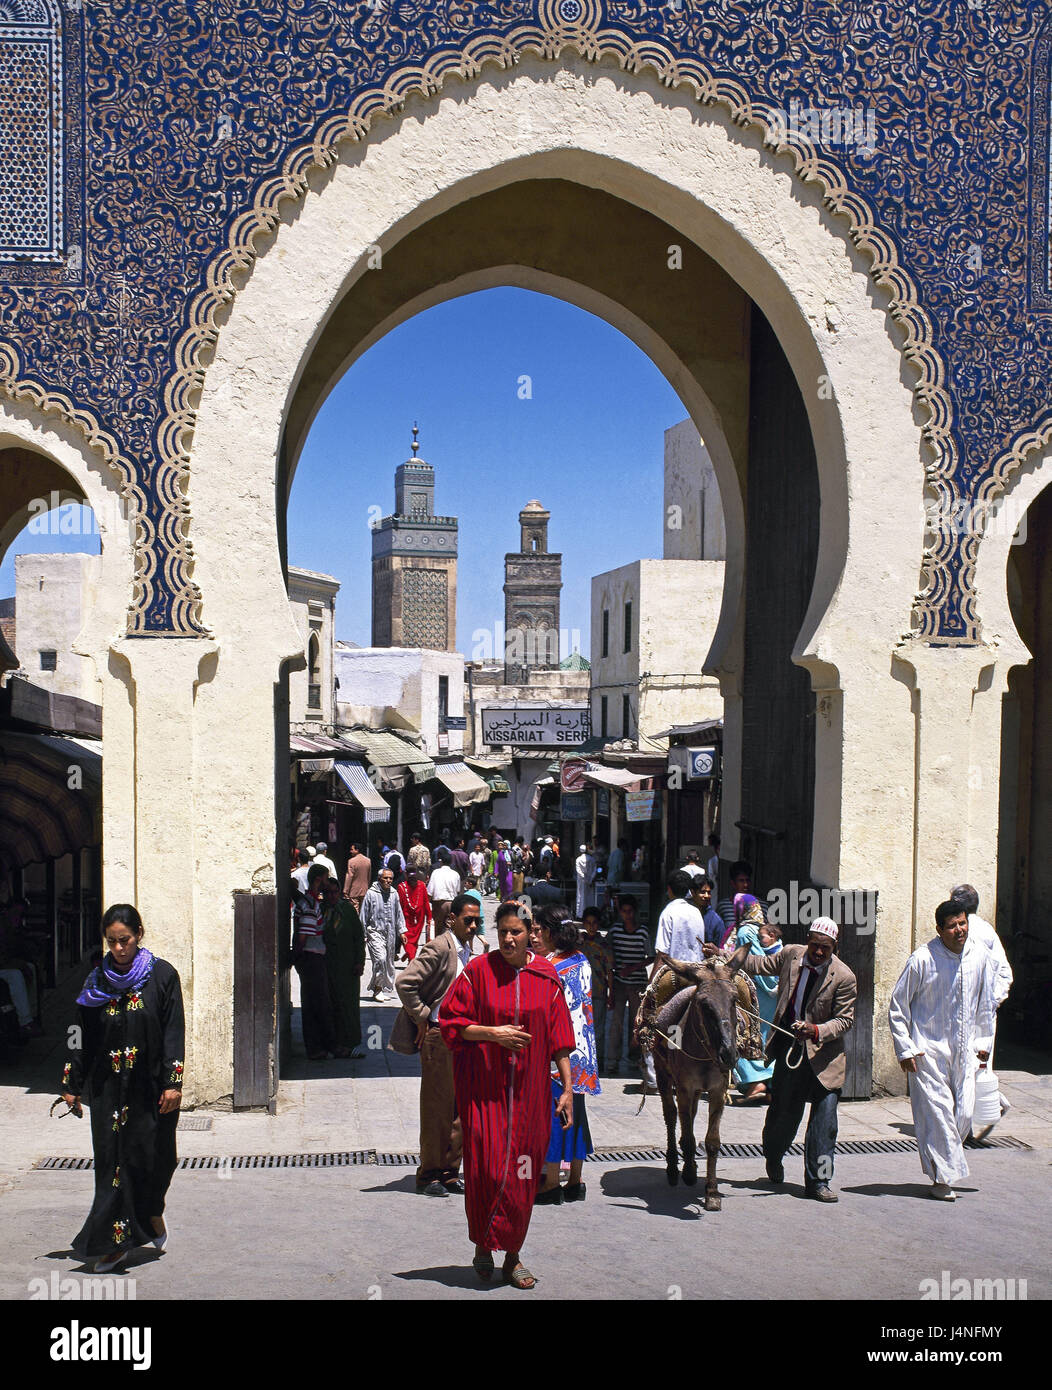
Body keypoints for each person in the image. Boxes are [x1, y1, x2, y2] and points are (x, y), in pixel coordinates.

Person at [439, 902, 574, 1289]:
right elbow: (452, 1021)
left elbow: (561, 1037)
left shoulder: (546, 976)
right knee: (484, 1169)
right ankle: (483, 1245)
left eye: (516, 931)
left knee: (524, 1173)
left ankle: (513, 1255)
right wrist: (492, 1033)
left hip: (531, 1095)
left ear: (530, 932)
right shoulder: (479, 972)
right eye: (502, 932)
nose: (509, 939)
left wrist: (565, 1088)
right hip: (485, 1092)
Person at [58, 904, 184, 1272]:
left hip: (150, 1091)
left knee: (158, 1161)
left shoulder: (162, 977)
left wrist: (172, 1083)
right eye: (111, 942)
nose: (117, 949)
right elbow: (78, 1031)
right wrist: (71, 1081)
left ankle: (150, 1212)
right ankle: (115, 1243)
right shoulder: (96, 979)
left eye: (124, 940)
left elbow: (174, 1032)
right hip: (108, 1089)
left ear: (139, 934)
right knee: (114, 1166)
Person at [716, 916, 856, 1202]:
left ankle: (819, 1181)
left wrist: (816, 1030)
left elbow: (844, 1021)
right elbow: (759, 964)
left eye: (825, 948)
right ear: (808, 940)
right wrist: (723, 956)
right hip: (790, 1051)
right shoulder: (792, 955)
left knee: (825, 1124)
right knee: (783, 1116)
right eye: (815, 945)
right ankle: (773, 1155)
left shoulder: (844, 977)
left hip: (825, 1061)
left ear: (834, 947)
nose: (818, 952)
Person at [888, 900, 996, 1200]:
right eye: (952, 925)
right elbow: (898, 1006)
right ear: (940, 929)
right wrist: (906, 1049)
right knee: (938, 1115)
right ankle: (942, 1179)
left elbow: (985, 1004)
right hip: (928, 1052)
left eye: (962, 923)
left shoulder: (979, 957)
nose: (959, 930)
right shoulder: (922, 959)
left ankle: (942, 1166)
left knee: (963, 1114)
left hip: (965, 1051)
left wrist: (983, 1042)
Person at [391, 893, 483, 1196]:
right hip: (438, 1036)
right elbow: (405, 982)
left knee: (460, 1108)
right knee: (436, 1109)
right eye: (467, 920)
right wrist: (422, 1015)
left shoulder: (470, 949)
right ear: (451, 919)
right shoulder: (440, 947)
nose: (472, 926)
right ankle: (428, 1174)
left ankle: (449, 1172)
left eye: (476, 921)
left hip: (463, 1037)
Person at [530, 906, 600, 1204]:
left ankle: (549, 1183)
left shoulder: (548, 966)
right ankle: (575, 1181)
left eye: (536, 930)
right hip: (583, 1050)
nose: (532, 936)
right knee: (578, 1115)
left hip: (558, 1052)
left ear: (548, 931)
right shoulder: (581, 960)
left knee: (555, 1115)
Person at [949, 882, 1013, 1134]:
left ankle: (963, 1129)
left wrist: (985, 1004)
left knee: (970, 1067)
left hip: (975, 1017)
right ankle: (990, 1108)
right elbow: (1005, 974)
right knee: (969, 1068)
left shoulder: (970, 932)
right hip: (969, 1014)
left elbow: (1002, 974)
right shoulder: (979, 931)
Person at [733, 920, 782, 1101]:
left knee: (747, 1035)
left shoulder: (745, 932)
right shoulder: (758, 932)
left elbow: (761, 968)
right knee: (763, 1037)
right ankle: (767, 1085)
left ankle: (756, 1083)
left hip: (758, 997)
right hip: (766, 999)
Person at [293, 863, 337, 1058]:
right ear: (319, 879)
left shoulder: (309, 902)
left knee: (316, 1003)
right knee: (316, 1004)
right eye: (326, 879)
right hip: (312, 958)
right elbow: (303, 936)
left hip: (311, 957)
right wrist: (300, 957)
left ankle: (320, 1046)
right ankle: (317, 1047)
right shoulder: (310, 905)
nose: (328, 883)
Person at [606, 894, 652, 1076]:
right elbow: (607, 951)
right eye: (624, 911)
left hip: (637, 984)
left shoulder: (642, 932)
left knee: (636, 1022)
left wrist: (633, 968)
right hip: (619, 983)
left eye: (630, 911)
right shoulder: (615, 931)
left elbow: (650, 957)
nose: (627, 915)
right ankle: (612, 1061)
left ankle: (634, 1059)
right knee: (616, 1023)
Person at [320, 878, 366, 1057]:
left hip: (348, 966)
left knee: (348, 1004)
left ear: (340, 893)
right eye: (328, 893)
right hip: (327, 965)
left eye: (334, 892)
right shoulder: (320, 910)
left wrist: (360, 961)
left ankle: (350, 1042)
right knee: (330, 1003)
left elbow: (358, 936)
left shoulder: (347, 910)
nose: (331, 896)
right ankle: (331, 1042)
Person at [360, 866, 406, 1001]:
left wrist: (402, 931)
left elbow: (399, 914)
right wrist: (362, 934)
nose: (388, 881)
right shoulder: (371, 893)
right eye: (385, 878)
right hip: (374, 932)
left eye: (391, 878)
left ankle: (379, 987)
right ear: (379, 878)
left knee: (388, 962)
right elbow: (364, 915)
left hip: (390, 933)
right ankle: (377, 989)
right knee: (380, 959)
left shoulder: (394, 894)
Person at [578, 907, 613, 1075]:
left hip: (598, 992)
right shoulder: (579, 943)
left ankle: (598, 1064)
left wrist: (610, 994)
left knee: (598, 1030)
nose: (591, 927)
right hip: (580, 993)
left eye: (594, 923)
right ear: (584, 924)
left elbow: (609, 972)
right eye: (588, 923)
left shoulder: (604, 945)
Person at [653, 869, 706, 964]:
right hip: (696, 973)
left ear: (669, 889)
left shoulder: (668, 913)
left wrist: (652, 978)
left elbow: (663, 952)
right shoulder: (696, 912)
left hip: (674, 974)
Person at [397, 867, 433, 960]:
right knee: (407, 939)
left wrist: (429, 917)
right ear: (406, 875)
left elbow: (426, 902)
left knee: (415, 939)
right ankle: (411, 957)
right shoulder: (401, 887)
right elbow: (399, 905)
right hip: (406, 918)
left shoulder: (422, 885)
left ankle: (410, 954)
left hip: (419, 918)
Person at [715, 859, 756, 935]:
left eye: (747, 880)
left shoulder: (761, 906)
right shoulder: (723, 906)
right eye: (741, 881)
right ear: (733, 883)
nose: (745, 885)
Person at [427, 851, 461, 937]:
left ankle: (438, 947)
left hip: (439, 904)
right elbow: (457, 891)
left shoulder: (436, 872)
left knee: (438, 928)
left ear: (441, 861)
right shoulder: (455, 874)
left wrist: (427, 904)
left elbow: (430, 891)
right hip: (452, 903)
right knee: (450, 928)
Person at [688, 874, 726, 946]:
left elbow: (720, 948)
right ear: (693, 892)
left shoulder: (716, 921)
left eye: (708, 892)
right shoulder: (685, 913)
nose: (706, 896)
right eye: (702, 892)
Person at [343, 842, 372, 913]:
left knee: (355, 910)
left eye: (352, 849)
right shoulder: (368, 861)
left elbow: (350, 876)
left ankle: (356, 923)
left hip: (354, 890)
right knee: (363, 910)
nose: (350, 851)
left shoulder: (351, 861)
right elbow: (369, 875)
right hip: (365, 889)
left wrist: (345, 890)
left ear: (357, 850)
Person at [574, 843, 597, 917]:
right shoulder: (592, 859)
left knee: (581, 896)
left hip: (581, 881)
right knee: (590, 897)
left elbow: (579, 871)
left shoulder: (578, 859)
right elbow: (594, 870)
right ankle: (591, 913)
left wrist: (584, 879)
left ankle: (580, 914)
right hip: (590, 881)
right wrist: (590, 879)